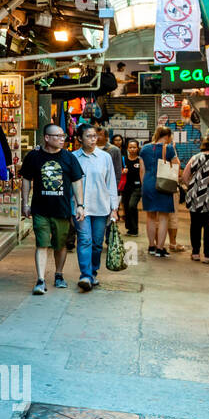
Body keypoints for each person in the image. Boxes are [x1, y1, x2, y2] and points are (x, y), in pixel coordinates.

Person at [20, 123, 85, 296]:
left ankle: (59, 274)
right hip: (40, 209)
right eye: (57, 136)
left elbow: (77, 181)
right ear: (47, 138)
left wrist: (80, 205)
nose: (62, 139)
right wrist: (24, 203)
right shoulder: (33, 156)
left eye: (63, 136)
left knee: (60, 244)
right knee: (41, 244)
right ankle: (40, 280)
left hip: (62, 209)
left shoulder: (69, 158)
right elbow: (26, 179)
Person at [73, 123, 120, 291]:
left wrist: (114, 208)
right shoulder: (74, 158)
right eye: (89, 136)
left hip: (101, 207)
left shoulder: (105, 157)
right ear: (79, 138)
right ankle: (85, 275)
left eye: (95, 136)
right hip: (81, 208)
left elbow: (111, 184)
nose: (93, 139)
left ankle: (93, 272)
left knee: (98, 243)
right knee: (85, 240)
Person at [139, 126, 178, 257]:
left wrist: (144, 186)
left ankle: (151, 246)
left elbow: (142, 170)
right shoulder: (169, 148)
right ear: (167, 136)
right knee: (163, 217)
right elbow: (176, 165)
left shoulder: (144, 148)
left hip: (148, 184)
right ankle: (160, 248)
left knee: (150, 217)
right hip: (163, 184)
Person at [181, 133, 209, 263]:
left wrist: (191, 187)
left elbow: (185, 177)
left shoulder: (195, 157)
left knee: (194, 225)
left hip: (195, 195)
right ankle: (208, 256)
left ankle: (195, 253)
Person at [119, 138, 141, 235]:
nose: (132, 149)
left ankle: (135, 228)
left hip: (137, 187)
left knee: (132, 206)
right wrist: (122, 172)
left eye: (134, 147)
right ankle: (130, 228)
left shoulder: (140, 160)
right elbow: (117, 172)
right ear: (127, 148)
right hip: (126, 187)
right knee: (127, 207)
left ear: (137, 148)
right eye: (130, 147)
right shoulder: (123, 159)